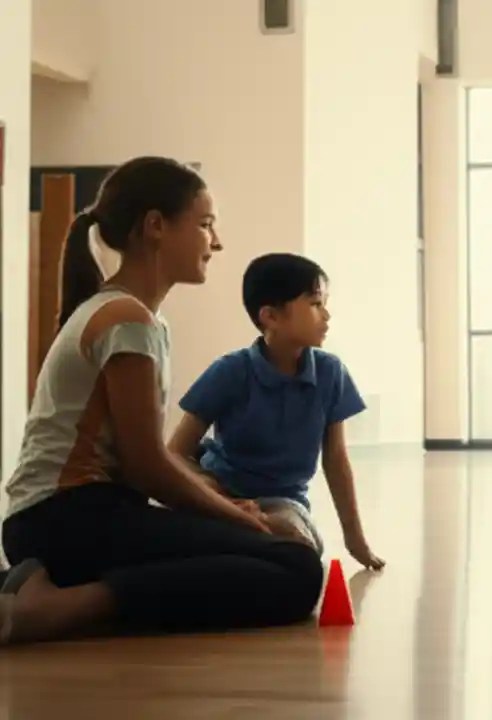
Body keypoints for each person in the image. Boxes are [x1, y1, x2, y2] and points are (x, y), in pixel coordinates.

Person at [0, 157, 323, 645]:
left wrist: (232, 509)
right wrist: (242, 518)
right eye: (205, 225)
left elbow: (143, 467)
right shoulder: (126, 318)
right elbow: (146, 465)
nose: (215, 243)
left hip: (69, 517)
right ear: (155, 226)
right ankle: (59, 608)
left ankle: (47, 587)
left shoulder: (134, 316)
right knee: (295, 567)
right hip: (65, 519)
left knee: (268, 550)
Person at [167, 253, 384, 571]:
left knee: (299, 541)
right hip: (221, 495)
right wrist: (211, 491)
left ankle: (241, 543)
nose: (326, 315)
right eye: (314, 304)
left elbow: (336, 460)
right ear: (270, 316)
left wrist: (356, 541)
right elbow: (175, 452)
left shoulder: (330, 373)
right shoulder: (230, 370)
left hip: (281, 503)